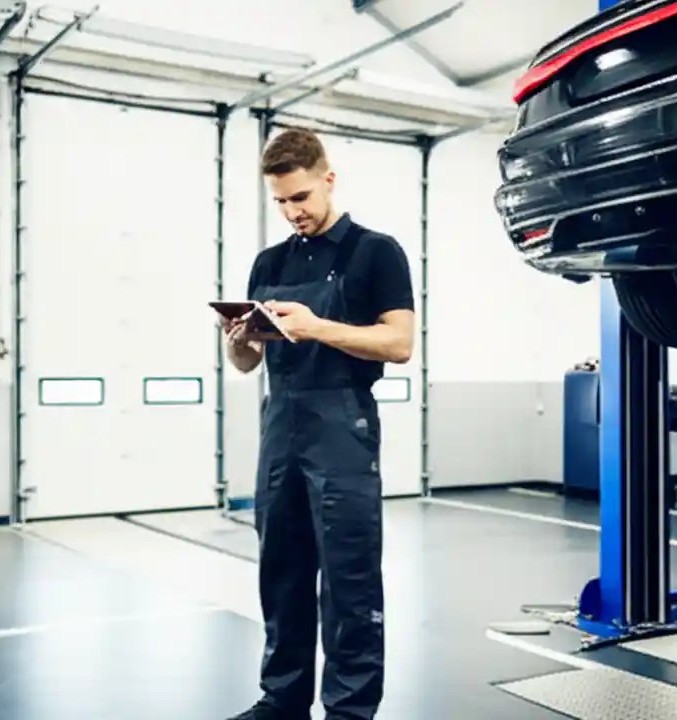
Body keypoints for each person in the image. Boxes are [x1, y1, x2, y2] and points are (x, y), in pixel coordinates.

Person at [223, 128, 415, 720]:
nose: (292, 211)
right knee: (280, 569)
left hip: (343, 424)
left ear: (328, 180)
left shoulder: (375, 251)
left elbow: (400, 342)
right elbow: (248, 362)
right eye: (280, 201)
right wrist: (237, 341)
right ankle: (281, 699)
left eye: (300, 197)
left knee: (349, 575)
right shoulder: (269, 261)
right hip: (280, 422)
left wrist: (316, 327)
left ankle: (350, 710)